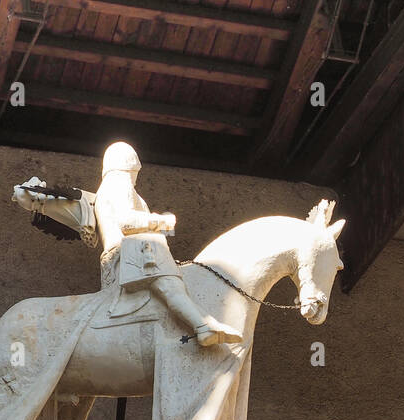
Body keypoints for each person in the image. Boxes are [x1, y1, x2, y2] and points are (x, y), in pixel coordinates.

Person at [13, 141, 242, 346]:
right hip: (131, 254)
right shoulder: (118, 184)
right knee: (169, 283)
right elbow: (126, 221)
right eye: (135, 171)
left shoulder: (111, 188)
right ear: (130, 166)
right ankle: (202, 326)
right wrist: (159, 220)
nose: (135, 176)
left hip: (126, 255)